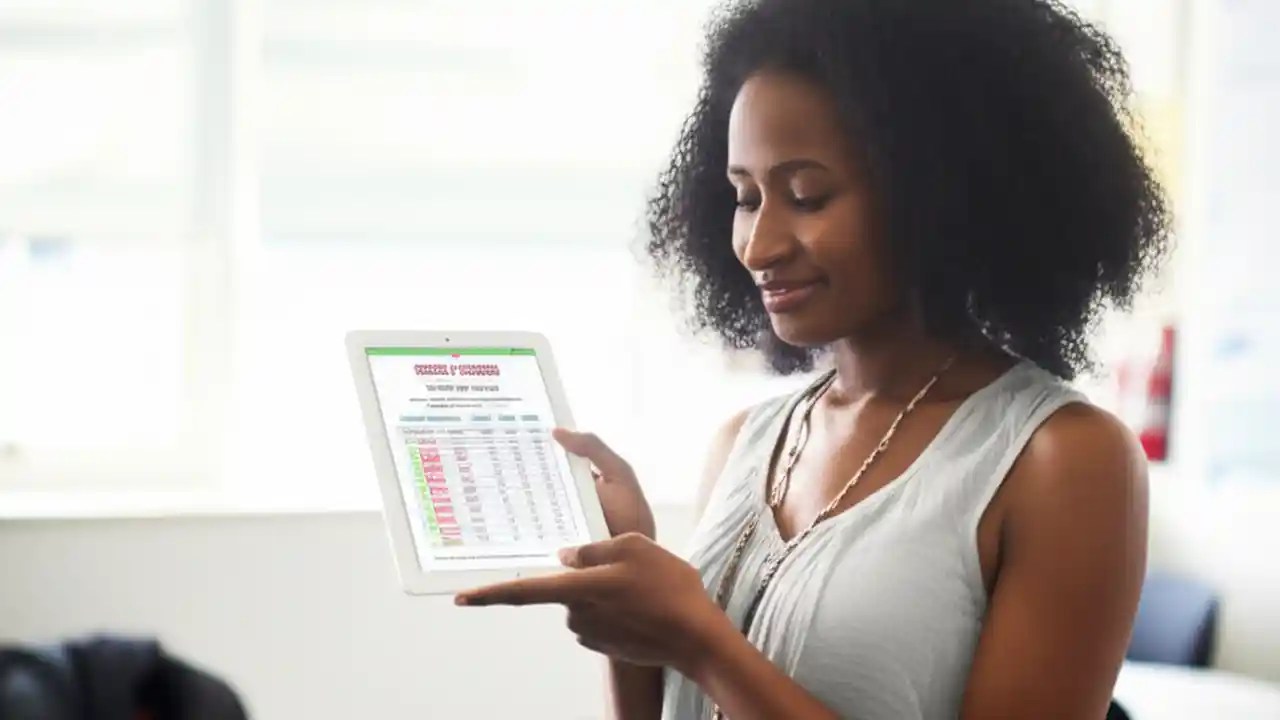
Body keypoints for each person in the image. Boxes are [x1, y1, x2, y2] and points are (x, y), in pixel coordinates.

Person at [456, 0, 1170, 717]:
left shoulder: (1061, 459)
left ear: (940, 192)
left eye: (806, 195)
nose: (758, 246)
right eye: (743, 197)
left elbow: (705, 654)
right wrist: (629, 582)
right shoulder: (746, 442)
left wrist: (701, 641)